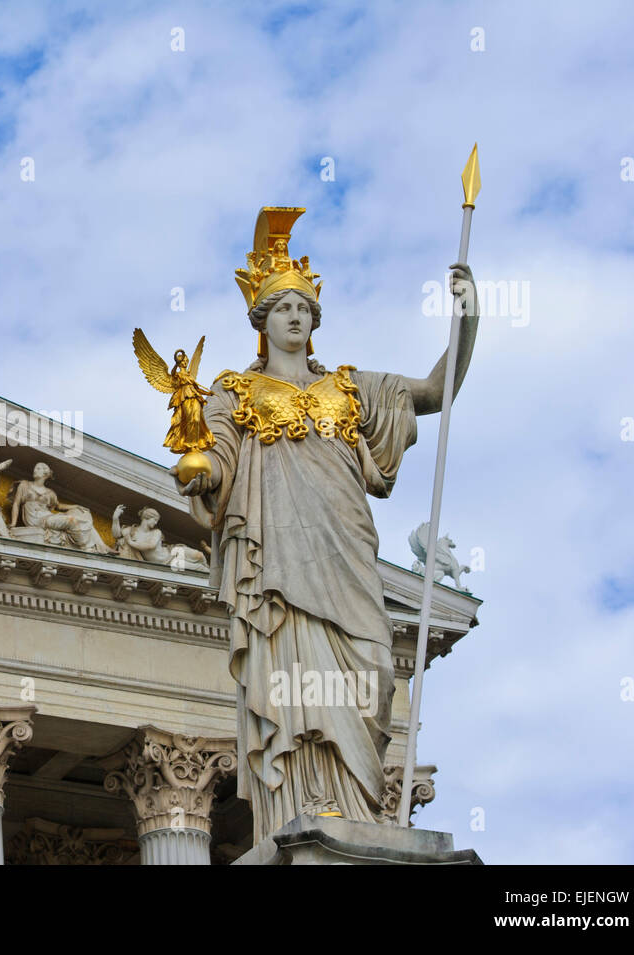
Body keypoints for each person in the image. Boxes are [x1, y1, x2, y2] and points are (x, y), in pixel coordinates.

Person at [172, 208, 479, 841]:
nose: (293, 316)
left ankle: (357, 813)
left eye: (302, 308)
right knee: (294, 682)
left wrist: (469, 318)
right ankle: (305, 809)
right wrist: (200, 472)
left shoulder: (351, 388)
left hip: (346, 553)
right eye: (281, 307)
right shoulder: (236, 392)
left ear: (314, 321)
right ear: (262, 321)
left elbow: (435, 389)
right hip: (280, 566)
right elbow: (217, 460)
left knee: (374, 673)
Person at [12, 462, 110, 553]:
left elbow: (58, 506)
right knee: (72, 520)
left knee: (81, 515)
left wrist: (75, 506)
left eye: (38, 469)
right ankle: (85, 547)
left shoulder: (50, 493)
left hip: (47, 517)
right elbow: (16, 503)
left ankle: (100, 546)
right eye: (35, 468)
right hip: (37, 519)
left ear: (45, 473)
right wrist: (13, 523)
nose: (34, 470)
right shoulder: (24, 485)